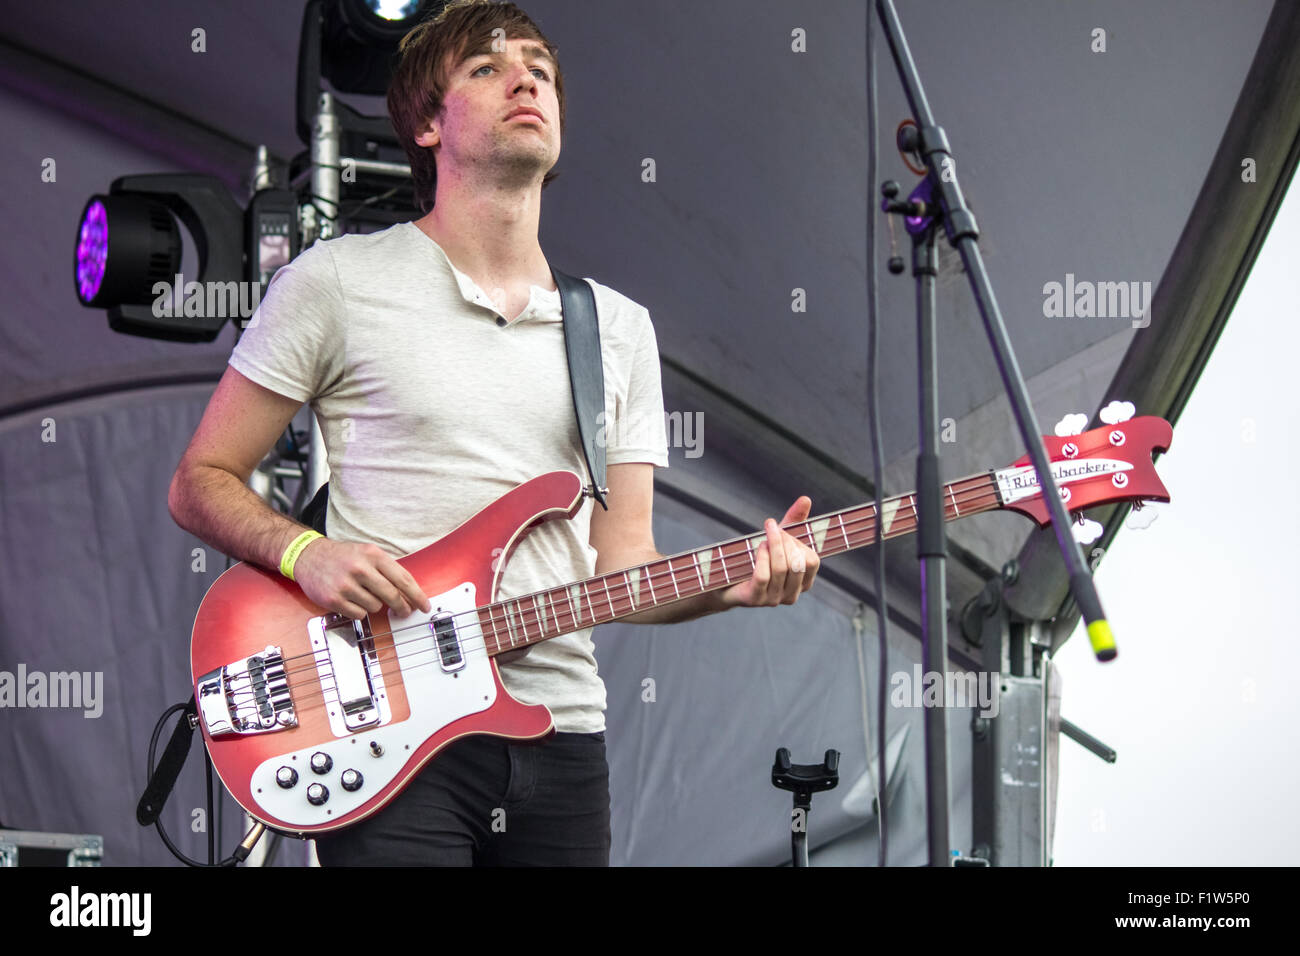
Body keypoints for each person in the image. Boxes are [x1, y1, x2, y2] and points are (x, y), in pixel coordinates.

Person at [167, 0, 821, 866]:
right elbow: (200, 479)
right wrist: (304, 556)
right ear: (430, 123)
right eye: (487, 67)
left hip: (562, 731)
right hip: (394, 732)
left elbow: (623, 563)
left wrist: (733, 586)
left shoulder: (617, 329)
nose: (526, 79)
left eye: (541, 70)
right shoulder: (338, 281)